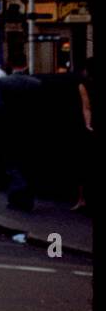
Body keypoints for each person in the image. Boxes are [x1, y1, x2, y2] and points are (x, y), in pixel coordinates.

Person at [72, 59, 94, 213]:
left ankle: (82, 199)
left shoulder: (84, 85)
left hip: (91, 126)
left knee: (84, 164)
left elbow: (86, 106)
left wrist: (88, 124)